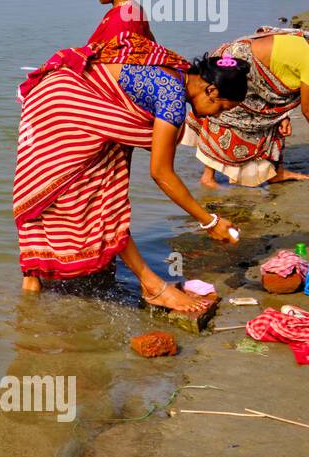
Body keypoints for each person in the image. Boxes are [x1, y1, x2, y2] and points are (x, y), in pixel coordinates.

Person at [14, 34, 249, 312]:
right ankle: (152, 286)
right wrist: (209, 221)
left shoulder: (178, 73)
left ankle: (33, 286)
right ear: (210, 89)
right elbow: (161, 173)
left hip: (56, 94)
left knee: (66, 188)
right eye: (222, 107)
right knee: (89, 193)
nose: (217, 115)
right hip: (66, 109)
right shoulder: (172, 96)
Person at [183, 30, 309, 186]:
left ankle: (276, 172)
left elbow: (280, 75)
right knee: (228, 116)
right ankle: (208, 178)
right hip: (234, 72)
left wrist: (284, 114)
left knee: (274, 113)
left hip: (231, 58)